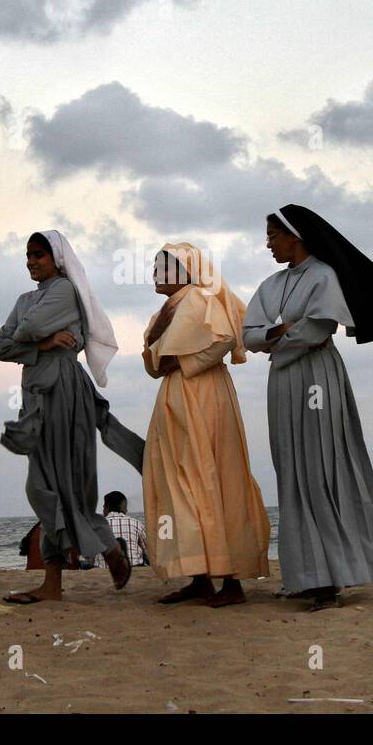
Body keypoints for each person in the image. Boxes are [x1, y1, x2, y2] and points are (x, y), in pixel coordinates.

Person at [243, 205, 373, 611]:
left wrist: (275, 341)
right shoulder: (271, 284)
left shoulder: (324, 275)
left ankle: (333, 577)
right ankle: (308, 575)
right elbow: (248, 336)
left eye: (272, 236)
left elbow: (319, 329)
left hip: (316, 376)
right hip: (283, 381)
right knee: (292, 469)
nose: (268, 244)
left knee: (321, 468)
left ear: (294, 236)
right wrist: (281, 333)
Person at [0, 230, 144, 603]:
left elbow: (21, 331)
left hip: (63, 390)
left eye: (38, 255)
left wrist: (28, 340)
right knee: (43, 484)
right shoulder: (25, 298)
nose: (31, 261)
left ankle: (101, 553)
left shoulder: (65, 290)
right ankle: (73, 570)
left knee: (62, 484)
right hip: (35, 393)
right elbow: (0, 346)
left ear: (56, 259)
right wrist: (42, 344)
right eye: (27, 255)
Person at [139, 244, 270, 606]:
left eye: (163, 267)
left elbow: (223, 338)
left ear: (186, 270)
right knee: (180, 483)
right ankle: (199, 576)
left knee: (210, 478)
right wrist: (165, 354)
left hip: (204, 394)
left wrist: (183, 362)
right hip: (174, 398)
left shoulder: (199, 298)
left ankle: (230, 582)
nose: (155, 273)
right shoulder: (165, 311)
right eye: (154, 267)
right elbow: (152, 365)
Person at [94, 492, 150, 569]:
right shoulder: (136, 523)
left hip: (104, 570)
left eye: (103, 507)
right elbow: (148, 549)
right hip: (133, 568)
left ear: (107, 506)